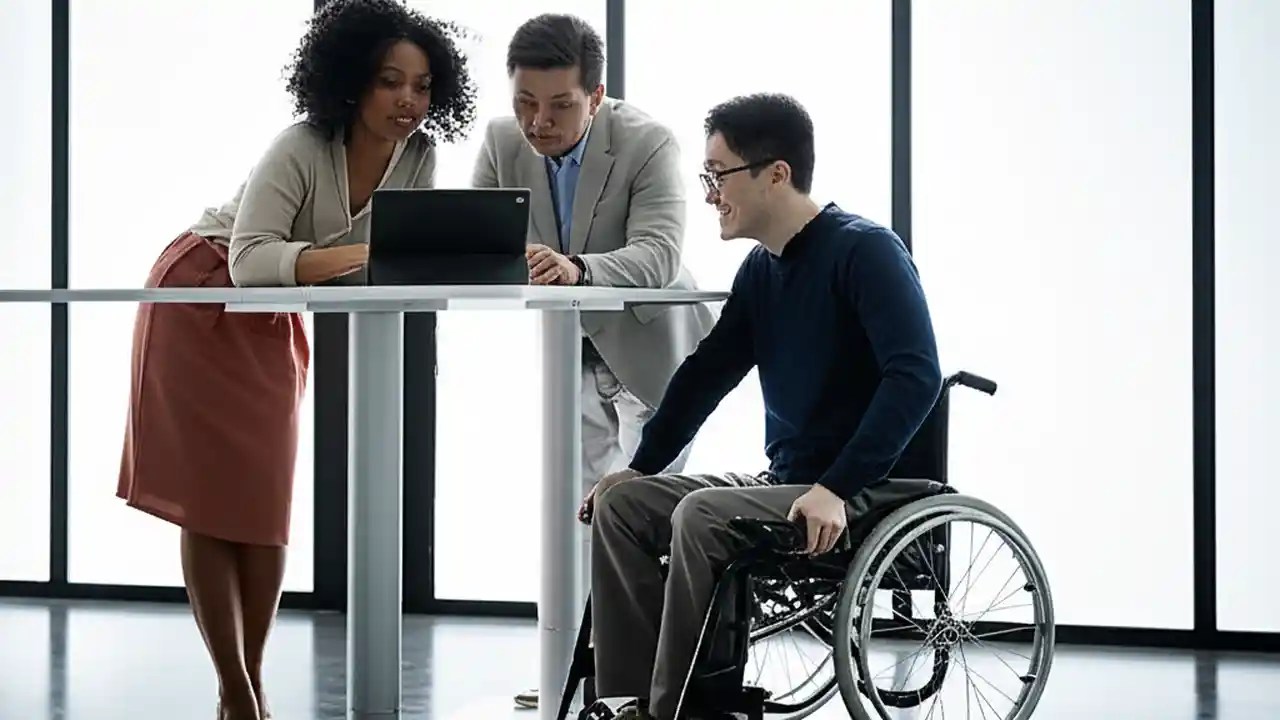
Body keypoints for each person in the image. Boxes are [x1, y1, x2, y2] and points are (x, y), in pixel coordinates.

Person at [114, 2, 476, 718]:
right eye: (389, 82)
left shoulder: (422, 156)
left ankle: (247, 681)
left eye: (423, 85)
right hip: (201, 288)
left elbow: (407, 260)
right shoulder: (302, 144)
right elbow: (250, 260)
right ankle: (239, 689)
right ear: (352, 83)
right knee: (210, 500)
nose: (408, 100)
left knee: (264, 497)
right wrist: (371, 255)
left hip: (274, 309)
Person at [578, 93, 944, 720]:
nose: (709, 193)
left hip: (867, 488)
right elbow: (706, 374)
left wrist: (837, 485)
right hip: (787, 482)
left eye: (718, 175)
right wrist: (640, 467)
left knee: (701, 514)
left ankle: (681, 711)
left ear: (776, 173)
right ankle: (627, 700)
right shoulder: (761, 270)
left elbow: (917, 376)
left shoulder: (865, 251)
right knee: (624, 504)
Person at [468, 13, 716, 711]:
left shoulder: (648, 143)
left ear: (596, 95)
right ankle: (571, 670)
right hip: (567, 349)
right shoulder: (499, 141)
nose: (537, 122)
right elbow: (480, 242)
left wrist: (577, 267)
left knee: (643, 518)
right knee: (574, 517)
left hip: (652, 347)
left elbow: (659, 257)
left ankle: (650, 683)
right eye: (524, 102)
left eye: (559, 105)